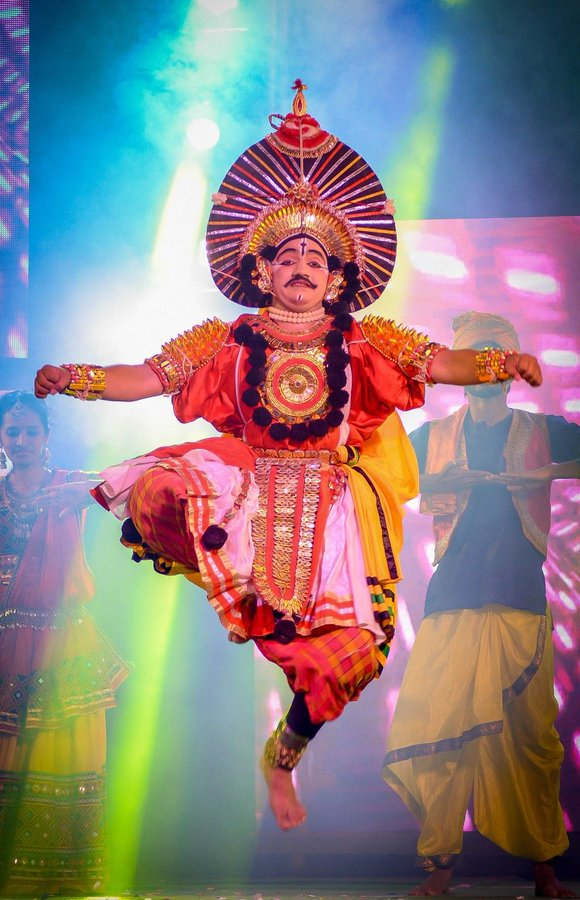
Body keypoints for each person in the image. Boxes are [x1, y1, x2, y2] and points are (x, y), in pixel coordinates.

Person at [34, 81, 542, 831]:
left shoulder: (364, 339)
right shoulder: (226, 339)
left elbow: (439, 363)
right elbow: (146, 379)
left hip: (333, 516)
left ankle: (282, 753)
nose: (301, 264)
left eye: (316, 258)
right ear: (262, 272)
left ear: (338, 280)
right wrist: (73, 378)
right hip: (248, 493)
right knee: (167, 484)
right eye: (287, 256)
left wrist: (503, 364)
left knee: (351, 661)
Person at [382, 311, 579, 898]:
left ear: (512, 366)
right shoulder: (431, 438)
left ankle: (545, 869)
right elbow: (378, 477)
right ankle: (439, 867)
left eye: (500, 354)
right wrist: (444, 481)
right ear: (463, 369)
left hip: (520, 599)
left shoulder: (546, 430)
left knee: (532, 739)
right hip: (452, 601)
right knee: (443, 731)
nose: (489, 367)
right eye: (478, 356)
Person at [0, 391, 129, 897]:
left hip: (65, 638)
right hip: (9, 637)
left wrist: (87, 496)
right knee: (12, 753)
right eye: (12, 432)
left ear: (48, 437)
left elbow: (132, 483)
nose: (22, 441)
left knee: (68, 752)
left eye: (32, 431)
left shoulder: (72, 485)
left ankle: (71, 880)